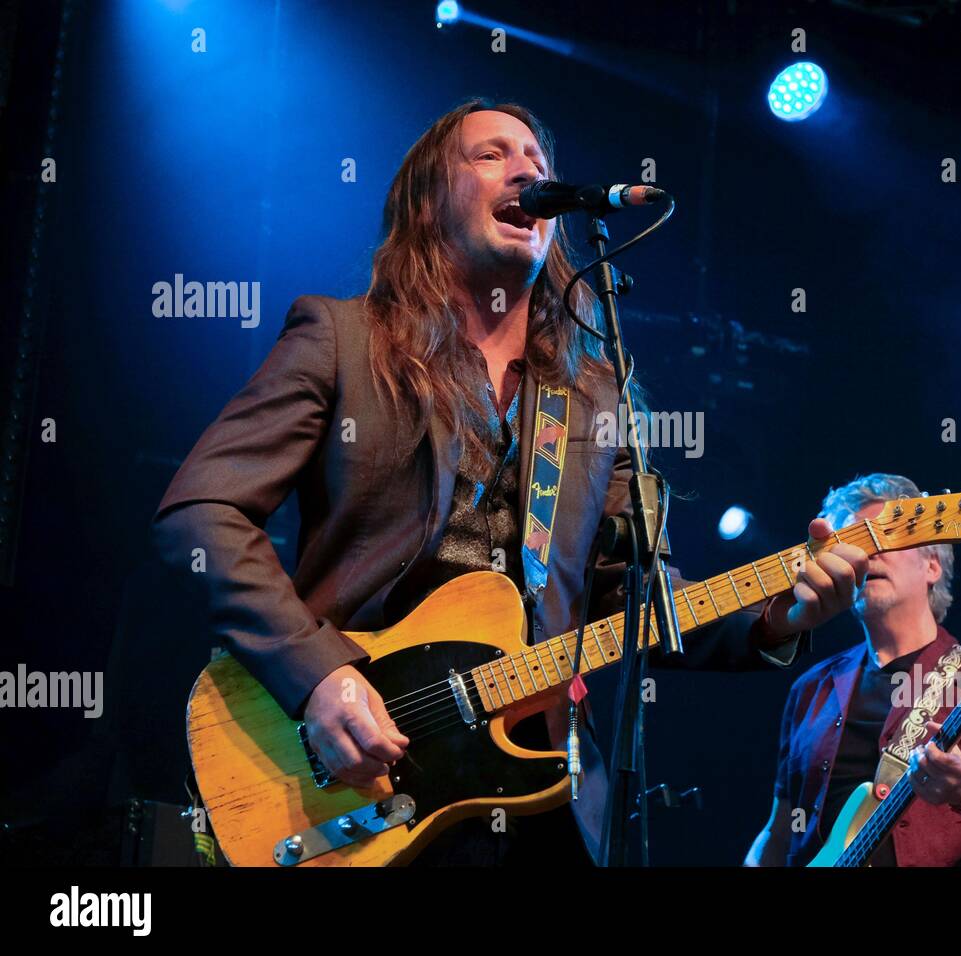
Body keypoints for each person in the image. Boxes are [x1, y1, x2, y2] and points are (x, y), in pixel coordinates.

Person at [153, 99, 869, 865]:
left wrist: (778, 617)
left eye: (536, 160)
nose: (528, 170)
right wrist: (317, 676)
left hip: (535, 790)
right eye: (490, 155)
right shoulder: (343, 339)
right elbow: (201, 509)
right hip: (359, 766)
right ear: (429, 201)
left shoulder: (592, 391)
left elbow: (635, 598)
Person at [745, 473, 961, 867]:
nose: (865, 557)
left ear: (932, 565)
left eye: (884, 540)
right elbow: (778, 833)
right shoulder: (810, 688)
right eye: (852, 546)